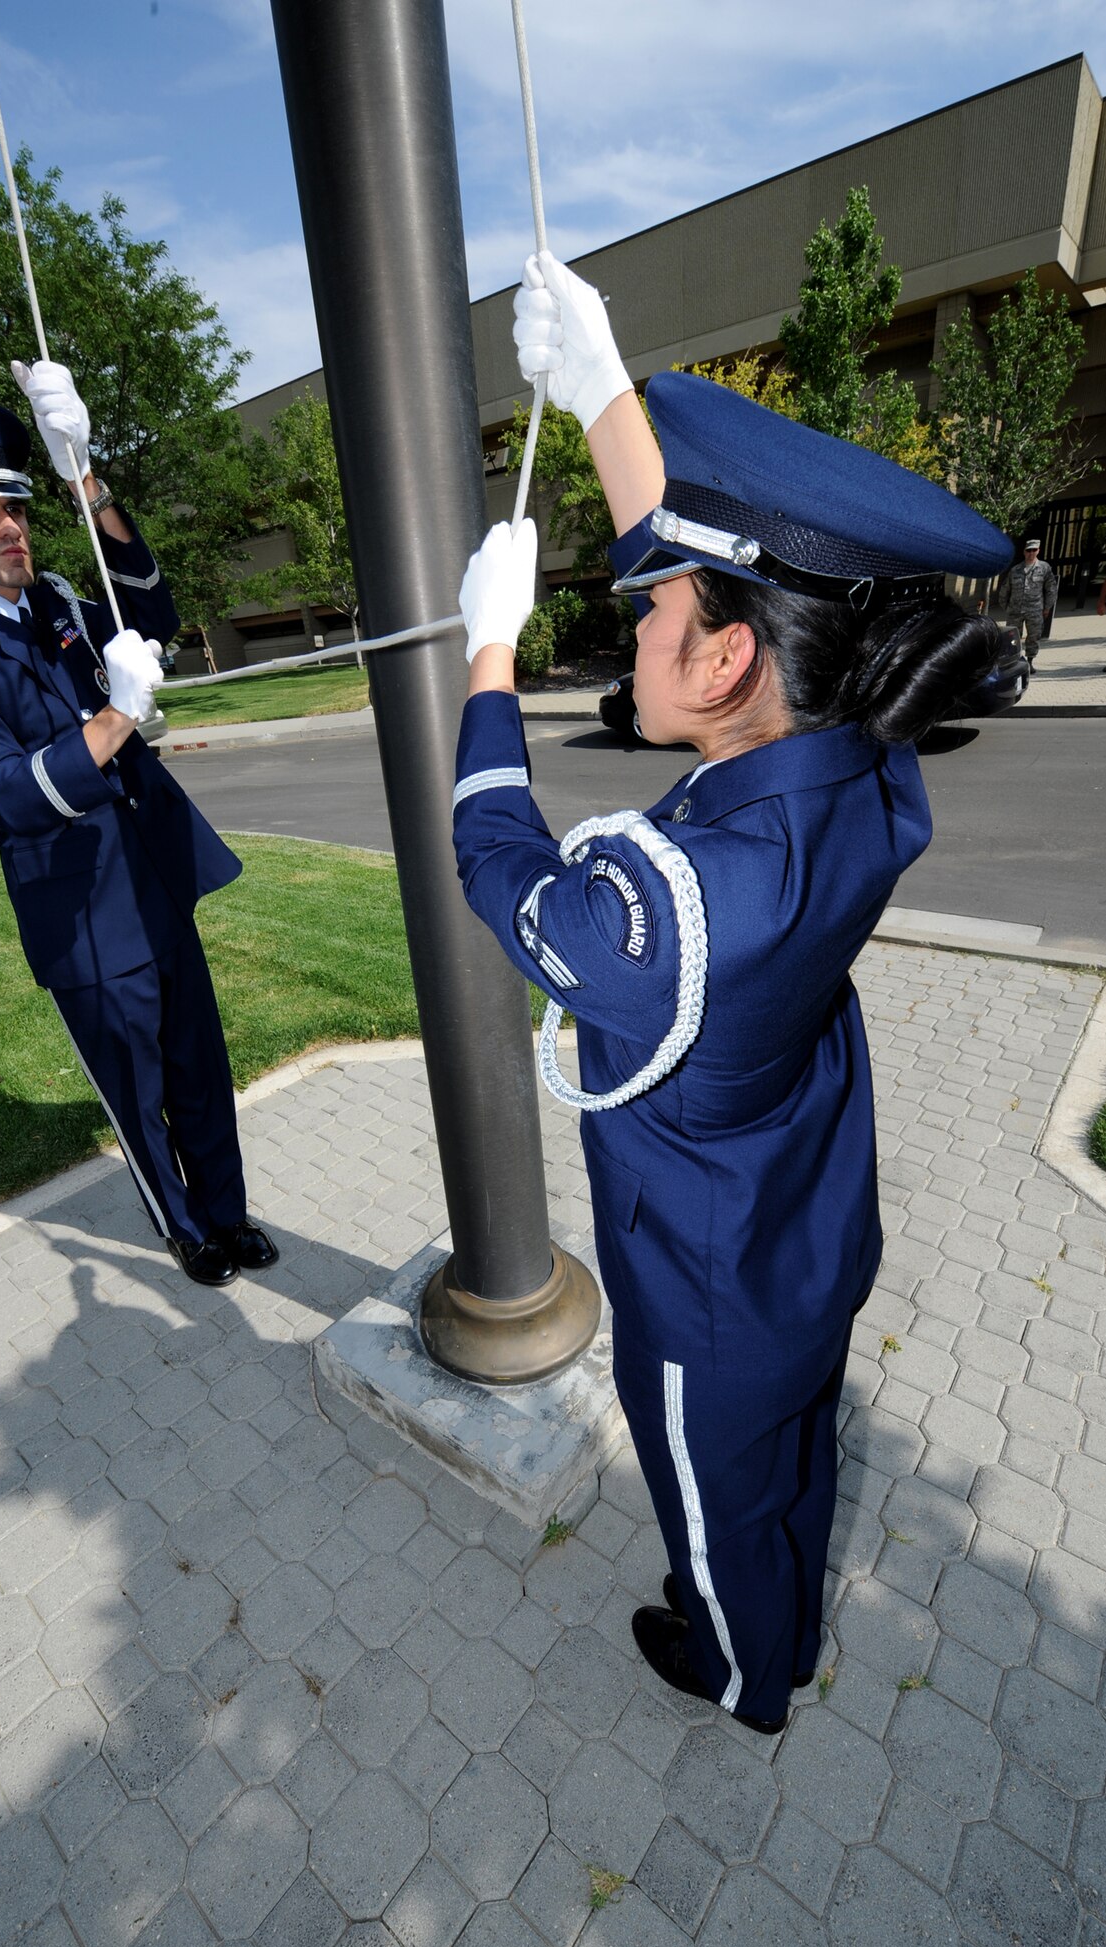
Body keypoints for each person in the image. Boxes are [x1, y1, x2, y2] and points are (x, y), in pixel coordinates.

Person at [451, 252, 1011, 1733]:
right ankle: (785, 1598)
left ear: (726, 660)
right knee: (797, 1457)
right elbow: (722, 549)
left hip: (710, 1286)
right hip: (808, 1228)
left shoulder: (668, 906)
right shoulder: (858, 753)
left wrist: (487, 660)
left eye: (651, 614)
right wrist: (599, 393)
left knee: (711, 1497)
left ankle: (747, 1672)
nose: (627, 630)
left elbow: (497, 862)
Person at [0, 369, 277, 1287]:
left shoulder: (56, 597)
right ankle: (185, 1229)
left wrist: (85, 477)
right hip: (84, 913)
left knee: (201, 1072)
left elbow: (155, 612)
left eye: (15, 502)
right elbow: (3, 789)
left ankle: (229, 1210)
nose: (9, 524)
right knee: (137, 1094)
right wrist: (114, 719)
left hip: (154, 877)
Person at [993, 537, 1057, 664]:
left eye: (1034, 550)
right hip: (1015, 610)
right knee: (1012, 638)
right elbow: (1005, 589)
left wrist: (1047, 607)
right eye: (1029, 550)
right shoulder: (1015, 570)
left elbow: (1051, 589)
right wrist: (1007, 607)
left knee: (1033, 637)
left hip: (1035, 610)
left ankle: (1030, 662)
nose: (1031, 553)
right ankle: (1014, 661)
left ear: (1038, 550)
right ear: (1024, 552)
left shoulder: (1044, 568)